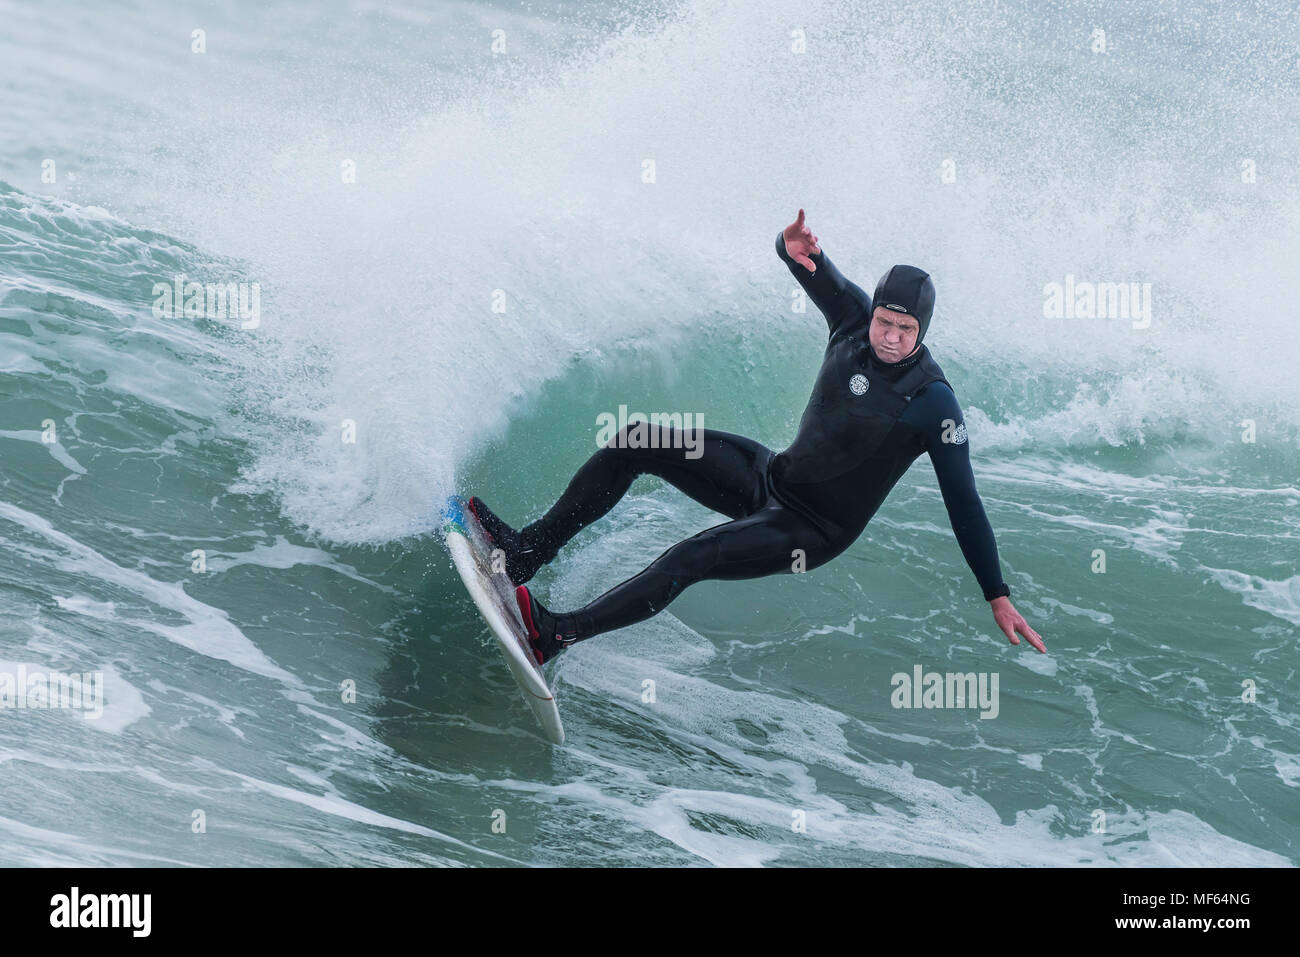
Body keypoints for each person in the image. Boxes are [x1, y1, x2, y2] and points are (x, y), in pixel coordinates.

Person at [470, 209, 1045, 665]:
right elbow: (803, 261)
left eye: (905, 329)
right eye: (884, 322)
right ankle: (526, 552)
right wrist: (788, 242)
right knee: (636, 440)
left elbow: (964, 502)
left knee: (692, 556)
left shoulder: (932, 401)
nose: (890, 336)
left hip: (810, 529)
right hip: (771, 476)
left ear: (923, 331)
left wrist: (996, 592)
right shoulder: (851, 318)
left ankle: (556, 635)